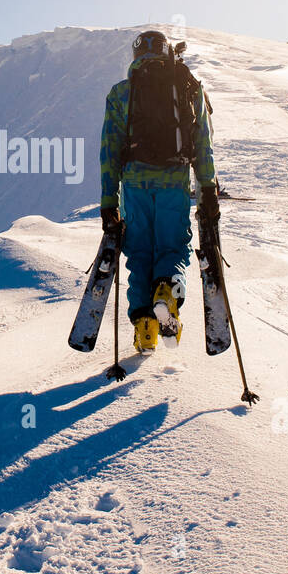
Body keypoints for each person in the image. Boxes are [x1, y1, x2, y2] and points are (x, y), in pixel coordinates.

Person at [99, 30, 218, 353]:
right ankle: (166, 291)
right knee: (173, 247)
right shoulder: (188, 88)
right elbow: (202, 144)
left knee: (139, 254)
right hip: (174, 180)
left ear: (136, 56)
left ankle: (146, 329)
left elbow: (109, 148)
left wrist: (109, 199)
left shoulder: (122, 92)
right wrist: (207, 190)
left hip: (134, 184)